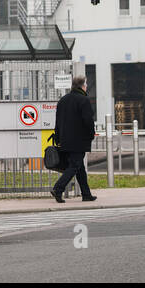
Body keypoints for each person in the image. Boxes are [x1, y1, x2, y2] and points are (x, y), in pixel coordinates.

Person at [51, 74, 97, 203]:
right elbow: (88, 121)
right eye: (86, 84)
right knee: (74, 166)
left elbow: (58, 121)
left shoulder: (63, 100)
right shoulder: (84, 100)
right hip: (79, 140)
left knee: (79, 167)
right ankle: (58, 189)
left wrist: (58, 137)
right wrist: (91, 135)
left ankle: (86, 194)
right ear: (82, 86)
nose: (87, 86)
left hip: (65, 139)